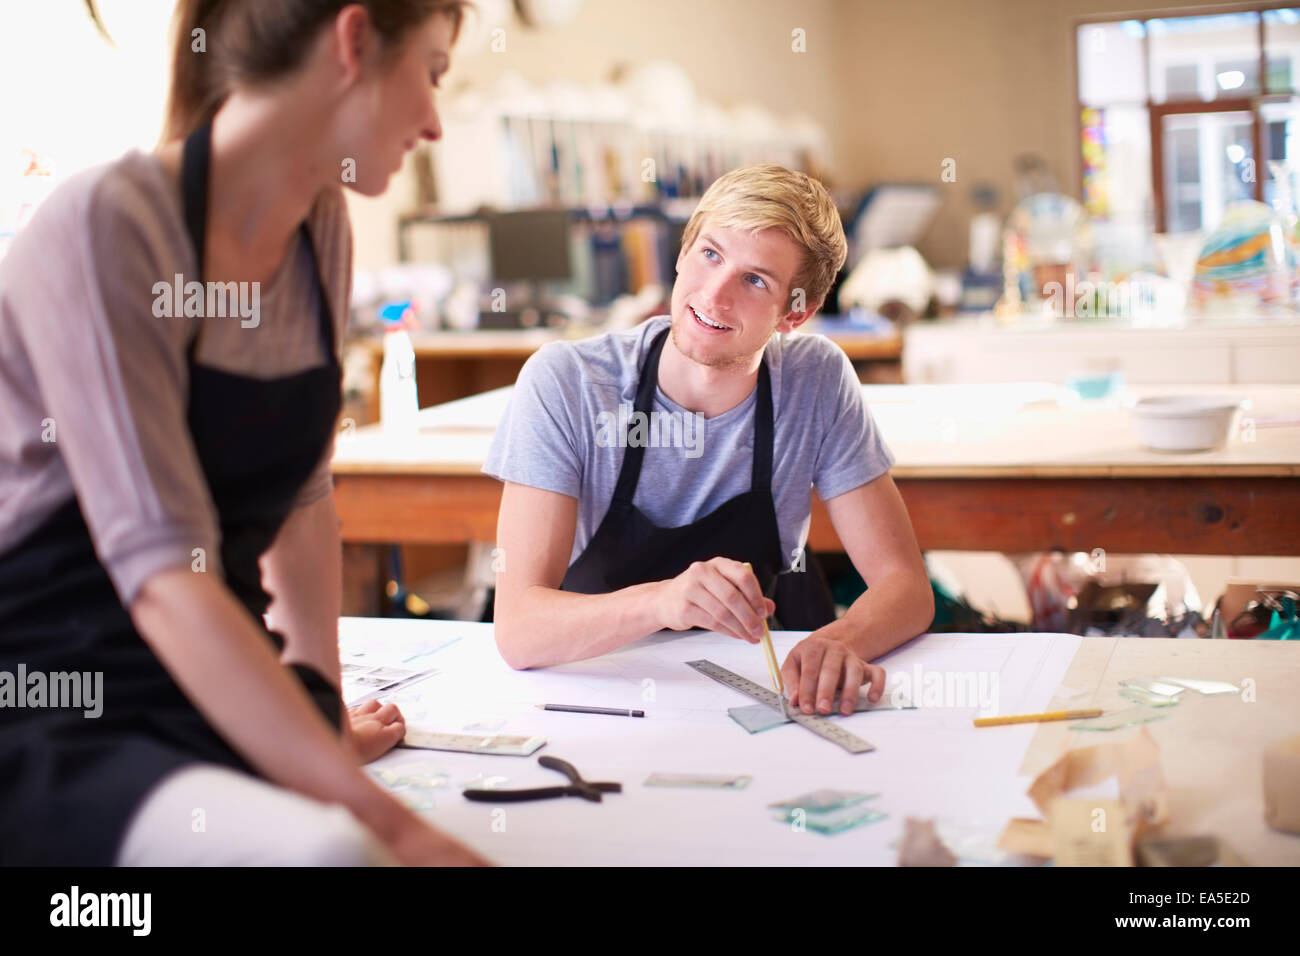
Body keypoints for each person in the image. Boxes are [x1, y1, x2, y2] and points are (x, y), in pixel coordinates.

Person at [0, 0, 486, 866]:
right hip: (59, 693)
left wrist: (322, 727)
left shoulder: (318, 230)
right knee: (330, 856)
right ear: (354, 41)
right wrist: (383, 820)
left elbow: (304, 510)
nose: (435, 123)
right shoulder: (109, 222)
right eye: (435, 72)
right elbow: (161, 578)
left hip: (210, 666)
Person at [486, 164, 935, 716]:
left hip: (758, 690)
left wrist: (836, 643)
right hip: (600, 693)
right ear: (681, 254)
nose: (715, 295)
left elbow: (905, 586)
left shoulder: (813, 381)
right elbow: (518, 630)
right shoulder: (568, 382)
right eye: (710, 254)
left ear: (797, 313)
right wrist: (665, 601)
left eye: (756, 280)